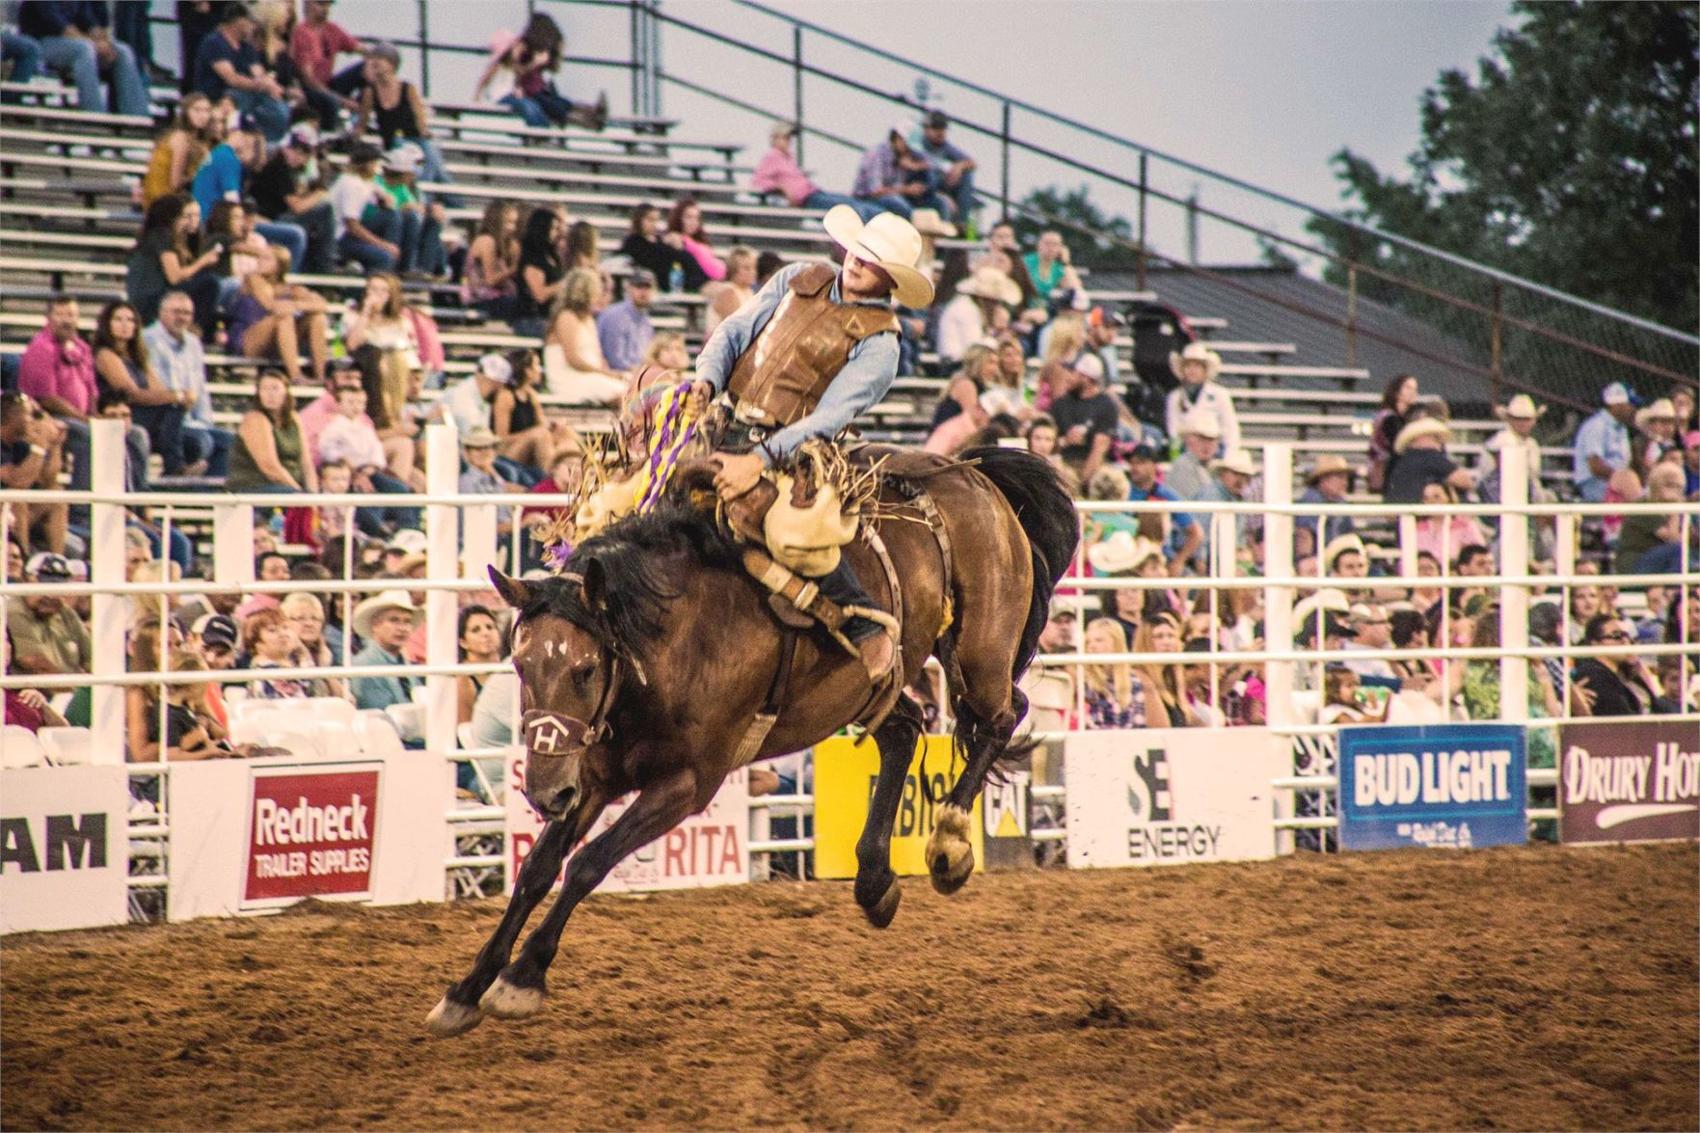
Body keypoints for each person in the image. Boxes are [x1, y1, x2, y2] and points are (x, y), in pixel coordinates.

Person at [690, 205, 934, 681]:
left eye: (874, 259)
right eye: (859, 251)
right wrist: (706, 381)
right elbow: (735, 330)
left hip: (790, 453)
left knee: (792, 535)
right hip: (721, 420)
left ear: (891, 280)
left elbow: (827, 419)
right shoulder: (797, 278)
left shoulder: (881, 344)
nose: (859, 261)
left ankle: (863, 620)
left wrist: (758, 461)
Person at [18, 295, 141, 498]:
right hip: (48, 417)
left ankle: (134, 501)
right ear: (48, 317)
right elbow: (47, 399)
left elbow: (92, 390)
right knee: (89, 436)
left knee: (136, 435)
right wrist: (87, 419)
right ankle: (82, 509)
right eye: (61, 314)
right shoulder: (41, 349)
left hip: (82, 416)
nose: (67, 320)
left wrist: (96, 415)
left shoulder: (82, 348)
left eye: (72, 315)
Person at [92, 300, 190, 477]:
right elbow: (131, 394)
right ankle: (174, 469)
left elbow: (158, 391)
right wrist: (178, 396)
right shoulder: (105, 355)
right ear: (107, 324)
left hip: (148, 417)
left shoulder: (138, 357)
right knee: (175, 407)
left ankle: (187, 486)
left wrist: (176, 397)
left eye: (130, 320)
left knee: (201, 441)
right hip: (123, 414)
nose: (124, 325)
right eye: (118, 319)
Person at [475, 11, 606, 131]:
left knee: (560, 104)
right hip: (509, 96)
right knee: (538, 106)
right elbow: (487, 79)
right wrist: (477, 97)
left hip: (522, 94)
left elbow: (516, 80)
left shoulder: (514, 64)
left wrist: (518, 89)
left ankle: (592, 114)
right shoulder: (502, 65)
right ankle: (544, 130)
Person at [316, 384, 421, 533]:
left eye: (360, 403)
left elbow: (376, 450)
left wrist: (371, 468)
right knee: (363, 502)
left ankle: (410, 528)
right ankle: (378, 529)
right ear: (339, 404)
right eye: (351, 402)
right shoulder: (332, 429)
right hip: (347, 474)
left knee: (400, 489)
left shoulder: (365, 428)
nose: (356, 407)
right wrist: (353, 471)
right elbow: (329, 452)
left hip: (370, 471)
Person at [17, 0, 147, 116]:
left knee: (122, 51)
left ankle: (136, 117)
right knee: (84, 50)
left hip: (72, 42)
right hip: (40, 43)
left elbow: (88, 21)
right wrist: (94, 45)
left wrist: (104, 42)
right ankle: (94, 115)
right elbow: (57, 24)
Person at [230, 247, 330, 386]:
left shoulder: (291, 288)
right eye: (259, 258)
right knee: (284, 318)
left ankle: (320, 377)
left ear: (279, 265)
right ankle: (296, 376)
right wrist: (294, 303)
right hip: (248, 338)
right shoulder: (253, 278)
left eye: (266, 259)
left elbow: (322, 305)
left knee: (317, 318)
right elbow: (271, 306)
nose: (259, 262)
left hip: (278, 341)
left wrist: (297, 305)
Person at [191, 2, 288, 142]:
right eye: (251, 22)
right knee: (235, 97)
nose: (253, 27)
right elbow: (231, 79)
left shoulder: (246, 47)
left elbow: (258, 73)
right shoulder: (214, 43)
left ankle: (270, 143)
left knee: (277, 106)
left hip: (246, 93)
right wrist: (261, 85)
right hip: (218, 94)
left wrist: (270, 85)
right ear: (239, 21)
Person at [248, 123, 337, 274]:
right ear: (287, 147)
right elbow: (297, 207)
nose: (299, 157)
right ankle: (321, 269)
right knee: (323, 210)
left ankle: (320, 268)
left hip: (278, 216)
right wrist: (321, 191)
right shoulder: (279, 165)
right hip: (266, 219)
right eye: (296, 151)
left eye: (304, 153)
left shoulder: (294, 169)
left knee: (319, 220)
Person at [751, 121, 884, 221]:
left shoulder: (788, 157)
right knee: (851, 209)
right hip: (807, 199)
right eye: (785, 138)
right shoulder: (771, 156)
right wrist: (781, 188)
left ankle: (885, 217)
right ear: (774, 139)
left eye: (789, 138)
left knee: (855, 202)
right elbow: (758, 181)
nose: (789, 141)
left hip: (814, 192)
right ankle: (881, 222)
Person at [126, 194, 222, 331]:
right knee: (210, 283)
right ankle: (194, 329)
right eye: (184, 217)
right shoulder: (161, 236)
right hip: (149, 301)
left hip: (154, 296)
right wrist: (203, 261)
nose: (189, 221)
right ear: (172, 218)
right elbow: (175, 277)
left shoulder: (167, 238)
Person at [227, 368, 316, 497]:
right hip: (255, 486)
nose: (270, 394)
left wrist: (314, 494)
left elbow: (306, 463)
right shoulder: (255, 419)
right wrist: (300, 494)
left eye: (275, 388)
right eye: (264, 389)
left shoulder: (294, 418)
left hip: (288, 487)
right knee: (298, 502)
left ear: (286, 392)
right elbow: (270, 468)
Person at [544, 268, 626, 406]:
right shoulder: (566, 317)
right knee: (623, 394)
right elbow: (573, 359)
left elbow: (598, 356)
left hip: (591, 374)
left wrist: (609, 372)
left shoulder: (589, 319)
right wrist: (604, 373)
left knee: (635, 386)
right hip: (570, 377)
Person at [0, 393, 69, 554]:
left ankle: (58, 560)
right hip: (6, 512)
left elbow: (48, 479)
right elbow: (17, 481)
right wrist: (40, 445)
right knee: (17, 499)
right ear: (13, 416)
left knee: (56, 494)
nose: (32, 420)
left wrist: (54, 445)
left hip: (11, 517)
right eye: (29, 414)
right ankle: (21, 559)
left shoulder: (19, 446)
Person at [851, 123, 952, 230]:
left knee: (939, 204)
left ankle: (939, 240)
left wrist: (916, 168)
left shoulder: (902, 156)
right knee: (900, 206)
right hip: (868, 198)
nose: (909, 150)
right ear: (898, 139)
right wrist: (906, 190)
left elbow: (934, 164)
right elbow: (875, 190)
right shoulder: (877, 154)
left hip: (896, 195)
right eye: (907, 146)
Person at [493, 349, 576, 474]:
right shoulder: (506, 396)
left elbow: (542, 424)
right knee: (540, 435)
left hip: (531, 444)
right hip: (507, 452)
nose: (540, 370)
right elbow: (501, 438)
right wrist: (531, 433)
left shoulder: (531, 395)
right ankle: (552, 476)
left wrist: (555, 427)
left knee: (564, 432)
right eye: (536, 365)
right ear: (527, 371)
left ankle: (576, 471)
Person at [1125, 443, 1201, 578]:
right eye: (1132, 463)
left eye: (1141, 463)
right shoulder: (1123, 491)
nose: (1135, 468)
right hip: (1128, 555)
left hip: (1161, 558)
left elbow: (1196, 533)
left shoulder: (1166, 495)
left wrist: (1179, 562)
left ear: (1154, 466)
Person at [6, 552, 90, 675]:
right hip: (36, 691)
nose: (51, 595)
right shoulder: (14, 610)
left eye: (57, 587)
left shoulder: (66, 613)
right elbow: (34, 662)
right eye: (44, 585)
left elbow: (92, 657)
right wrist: (75, 690)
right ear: (25, 581)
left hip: (69, 687)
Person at [373, 143, 446, 276]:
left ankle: (425, 271)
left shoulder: (402, 189)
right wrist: (404, 209)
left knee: (432, 221)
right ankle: (406, 268)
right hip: (381, 228)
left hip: (404, 230)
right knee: (409, 218)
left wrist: (430, 209)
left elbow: (417, 209)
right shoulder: (377, 182)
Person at [289, 0, 365, 127]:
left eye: (328, 5)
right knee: (330, 101)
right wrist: (342, 100)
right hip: (309, 89)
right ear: (308, 4)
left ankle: (363, 120)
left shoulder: (332, 29)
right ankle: (329, 133)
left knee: (368, 69)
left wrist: (380, 55)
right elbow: (308, 79)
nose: (326, 9)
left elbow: (359, 48)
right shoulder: (301, 32)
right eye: (321, 4)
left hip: (329, 83)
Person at [1049, 352, 1120, 485]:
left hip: (1091, 464)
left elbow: (1100, 447)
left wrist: (1082, 483)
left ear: (1085, 378)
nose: (1068, 376)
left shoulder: (1105, 405)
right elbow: (1048, 439)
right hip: (1063, 463)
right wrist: (1065, 441)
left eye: (1073, 372)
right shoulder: (1061, 403)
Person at [329, 142, 401, 271]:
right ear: (367, 165)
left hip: (349, 233)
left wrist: (383, 197)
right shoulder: (352, 184)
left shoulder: (365, 181)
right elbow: (352, 225)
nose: (378, 168)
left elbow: (388, 201)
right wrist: (382, 245)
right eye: (376, 163)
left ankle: (395, 262)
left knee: (392, 215)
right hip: (340, 237)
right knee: (384, 257)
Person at [141, 93, 218, 208]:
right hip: (163, 201)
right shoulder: (180, 138)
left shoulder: (200, 140)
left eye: (207, 111)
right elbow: (175, 183)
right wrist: (197, 174)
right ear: (186, 112)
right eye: (197, 110)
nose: (202, 116)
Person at [1571, 614, 1657, 716]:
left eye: (1626, 636)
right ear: (1595, 644)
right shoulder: (1594, 676)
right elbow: (1622, 719)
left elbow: (1658, 706)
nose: (1625, 641)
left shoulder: (1626, 673)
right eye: (1617, 636)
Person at [1164, 343, 1239, 459]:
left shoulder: (1220, 394)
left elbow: (1230, 428)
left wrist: (1229, 457)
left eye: (1197, 366)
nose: (1192, 370)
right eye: (1188, 366)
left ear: (1205, 370)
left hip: (1215, 452)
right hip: (1186, 452)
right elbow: (1173, 430)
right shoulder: (1174, 397)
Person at [1385, 415, 1476, 504]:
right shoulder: (1429, 456)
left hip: (1399, 513)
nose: (1440, 443)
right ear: (1422, 438)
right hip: (1419, 514)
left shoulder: (1403, 460)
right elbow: (1466, 482)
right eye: (1435, 437)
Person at [936, 266, 1019, 364]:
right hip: (956, 364)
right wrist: (998, 338)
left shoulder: (972, 308)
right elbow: (975, 349)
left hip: (968, 362)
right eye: (996, 302)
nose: (997, 306)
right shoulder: (965, 309)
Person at [1572, 382, 1637, 503]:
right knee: (1639, 501)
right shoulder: (1596, 426)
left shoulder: (1622, 428)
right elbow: (1595, 466)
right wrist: (1622, 479)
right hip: (1595, 484)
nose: (1633, 409)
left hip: (1616, 483)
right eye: (1630, 404)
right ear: (1616, 405)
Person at [512, 206, 567, 338]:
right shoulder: (532, 259)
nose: (557, 233)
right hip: (531, 319)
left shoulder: (551, 255)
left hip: (550, 316)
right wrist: (564, 284)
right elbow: (540, 294)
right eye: (553, 228)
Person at [1082, 617, 1146, 728]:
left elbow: (1139, 723)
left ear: (1116, 643)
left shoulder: (1134, 681)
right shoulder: (1083, 681)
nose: (1091, 646)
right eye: (1088, 642)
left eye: (1099, 640)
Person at [462, 200, 521, 321]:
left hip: (498, 297)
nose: (513, 228)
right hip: (481, 298)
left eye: (515, 223)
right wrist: (513, 269)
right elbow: (490, 280)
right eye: (509, 222)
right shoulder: (486, 241)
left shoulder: (506, 244)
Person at [617, 203, 691, 290]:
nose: (654, 224)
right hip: (646, 285)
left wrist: (679, 247)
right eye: (650, 220)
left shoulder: (660, 240)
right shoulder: (632, 241)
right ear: (639, 220)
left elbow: (683, 260)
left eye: (656, 220)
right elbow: (650, 261)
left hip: (670, 284)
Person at [595, 268, 656, 373]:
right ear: (629, 288)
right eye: (639, 286)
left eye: (647, 287)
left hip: (637, 373)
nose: (643, 292)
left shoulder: (646, 322)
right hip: (614, 373)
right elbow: (614, 360)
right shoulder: (615, 315)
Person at [1367, 373, 1419, 493]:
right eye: (1407, 387)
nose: (1413, 392)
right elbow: (1398, 447)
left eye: (1415, 389)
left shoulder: (1404, 420)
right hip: (1387, 474)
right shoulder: (1389, 418)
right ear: (1396, 391)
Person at [1296, 454, 1357, 551]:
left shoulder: (1342, 503)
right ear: (1324, 479)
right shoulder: (1311, 500)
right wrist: (1306, 558)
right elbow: (1304, 535)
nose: (1345, 483)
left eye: (1346, 478)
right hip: (1317, 557)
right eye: (1340, 477)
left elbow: (1349, 535)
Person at [456, 605, 503, 727]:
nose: (486, 633)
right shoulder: (462, 680)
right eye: (476, 630)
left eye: (490, 627)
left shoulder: (508, 669)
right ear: (463, 642)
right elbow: (464, 730)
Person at [666, 198, 725, 292]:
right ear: (679, 218)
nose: (693, 222)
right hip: (700, 284)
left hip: (715, 280)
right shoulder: (676, 238)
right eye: (688, 217)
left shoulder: (700, 241)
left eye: (696, 218)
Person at [1162, 410, 1223, 502]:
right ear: (1188, 440)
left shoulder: (1211, 468)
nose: (1207, 445)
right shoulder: (1184, 466)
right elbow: (1192, 506)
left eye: (1211, 440)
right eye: (1201, 439)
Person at [1022, 230, 1081, 317]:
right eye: (1047, 243)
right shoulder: (1026, 262)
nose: (1051, 248)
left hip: (1043, 309)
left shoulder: (1058, 268)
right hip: (1023, 306)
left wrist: (1066, 262)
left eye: (1055, 244)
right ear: (1038, 245)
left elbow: (1075, 288)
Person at [705, 247, 758, 337]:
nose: (752, 272)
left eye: (754, 267)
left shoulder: (750, 292)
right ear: (734, 270)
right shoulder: (727, 292)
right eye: (746, 268)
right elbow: (736, 328)